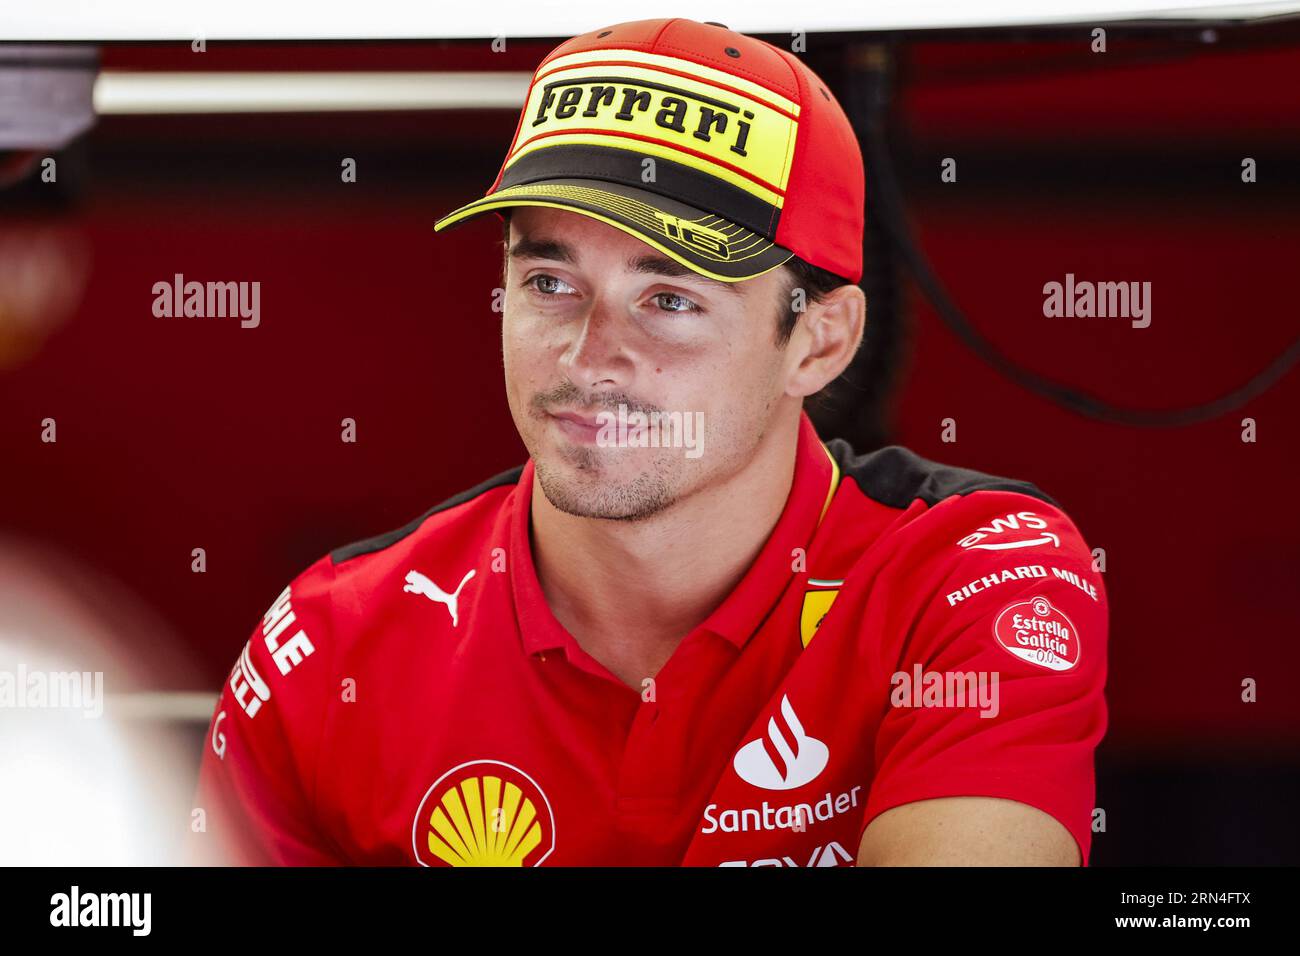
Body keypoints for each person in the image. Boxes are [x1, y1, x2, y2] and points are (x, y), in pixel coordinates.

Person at [191, 17, 1107, 867]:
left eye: (670, 299)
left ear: (819, 341)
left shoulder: (969, 576)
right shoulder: (329, 644)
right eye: (550, 281)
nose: (591, 357)